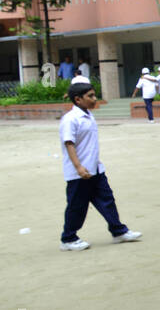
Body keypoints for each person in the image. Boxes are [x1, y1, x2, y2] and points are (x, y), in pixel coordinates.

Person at [59, 82, 143, 251]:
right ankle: (68, 238)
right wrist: (79, 167)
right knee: (77, 206)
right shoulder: (70, 119)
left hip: (95, 169)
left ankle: (118, 231)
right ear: (78, 99)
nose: (94, 99)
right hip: (79, 173)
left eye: (94, 95)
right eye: (90, 96)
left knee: (107, 200)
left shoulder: (88, 115)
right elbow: (69, 144)